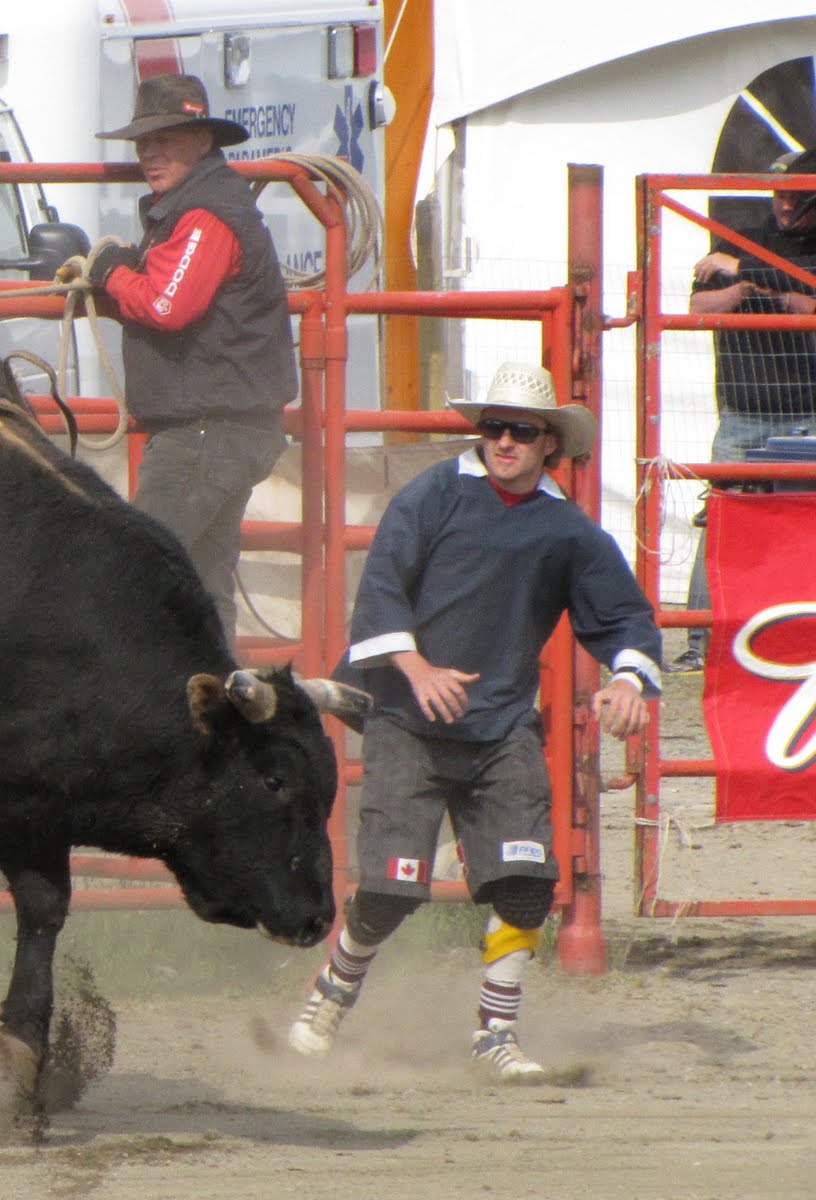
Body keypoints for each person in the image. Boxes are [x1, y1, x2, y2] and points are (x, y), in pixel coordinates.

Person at [286, 362, 662, 1080]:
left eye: (522, 430)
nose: (505, 441)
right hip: (405, 717)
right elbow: (382, 587)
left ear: (550, 442)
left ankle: (495, 1033)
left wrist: (624, 678)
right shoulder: (432, 495)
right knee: (391, 890)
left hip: (501, 727)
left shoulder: (565, 530)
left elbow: (624, 617)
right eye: (494, 427)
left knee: (524, 885)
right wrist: (418, 668)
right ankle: (334, 988)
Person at [88, 73, 296, 642]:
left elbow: (165, 304)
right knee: (203, 585)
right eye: (142, 142)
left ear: (202, 140)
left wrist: (109, 273)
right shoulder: (202, 207)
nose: (149, 152)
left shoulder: (203, 215)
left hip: (206, 432)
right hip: (225, 426)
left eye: (166, 138)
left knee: (136, 574)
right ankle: (218, 715)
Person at [671, 147, 816, 674]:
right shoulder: (742, 239)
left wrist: (744, 279)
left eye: (795, 197)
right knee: (722, 525)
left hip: (806, 412)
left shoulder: (739, 250)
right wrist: (763, 281)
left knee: (803, 529)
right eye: (779, 195)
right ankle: (699, 645)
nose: (783, 206)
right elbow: (700, 307)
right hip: (743, 410)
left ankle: (796, 643)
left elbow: (811, 302)